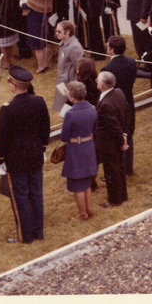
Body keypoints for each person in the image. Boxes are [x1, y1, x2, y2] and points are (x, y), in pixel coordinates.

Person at [0, 66, 50, 244]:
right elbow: (45, 129)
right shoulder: (39, 101)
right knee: (36, 193)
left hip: (16, 159)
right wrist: (42, 149)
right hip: (34, 154)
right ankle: (38, 232)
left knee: (20, 196)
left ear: (13, 85)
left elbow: (2, 138)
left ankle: (25, 236)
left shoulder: (8, 108)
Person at [61, 81, 99, 220]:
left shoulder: (70, 114)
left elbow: (64, 137)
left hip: (76, 149)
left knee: (77, 183)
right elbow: (95, 129)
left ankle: (82, 213)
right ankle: (89, 210)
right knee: (86, 181)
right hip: (89, 146)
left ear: (71, 97)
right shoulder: (93, 108)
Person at [101, 36, 137, 176]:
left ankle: (119, 169)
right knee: (128, 132)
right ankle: (128, 168)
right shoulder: (131, 61)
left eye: (108, 45)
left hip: (114, 104)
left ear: (112, 49)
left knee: (116, 135)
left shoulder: (107, 68)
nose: (106, 46)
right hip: (129, 100)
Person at [94, 71, 130, 207]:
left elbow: (113, 126)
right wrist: (125, 134)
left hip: (109, 141)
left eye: (98, 81)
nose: (96, 81)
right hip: (118, 137)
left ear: (102, 85)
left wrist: (122, 142)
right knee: (119, 166)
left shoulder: (105, 105)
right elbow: (127, 113)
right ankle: (122, 194)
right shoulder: (119, 92)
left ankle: (115, 199)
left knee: (111, 170)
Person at [21, 0, 54, 74]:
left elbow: (31, 4)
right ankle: (44, 64)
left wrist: (22, 4)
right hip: (43, 16)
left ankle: (41, 66)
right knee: (43, 42)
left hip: (35, 17)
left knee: (37, 43)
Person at [52, 20, 85, 112]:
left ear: (68, 32)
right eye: (56, 31)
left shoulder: (74, 47)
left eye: (59, 31)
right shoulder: (63, 43)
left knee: (70, 109)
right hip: (62, 82)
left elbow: (79, 69)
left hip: (70, 83)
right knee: (64, 110)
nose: (56, 33)